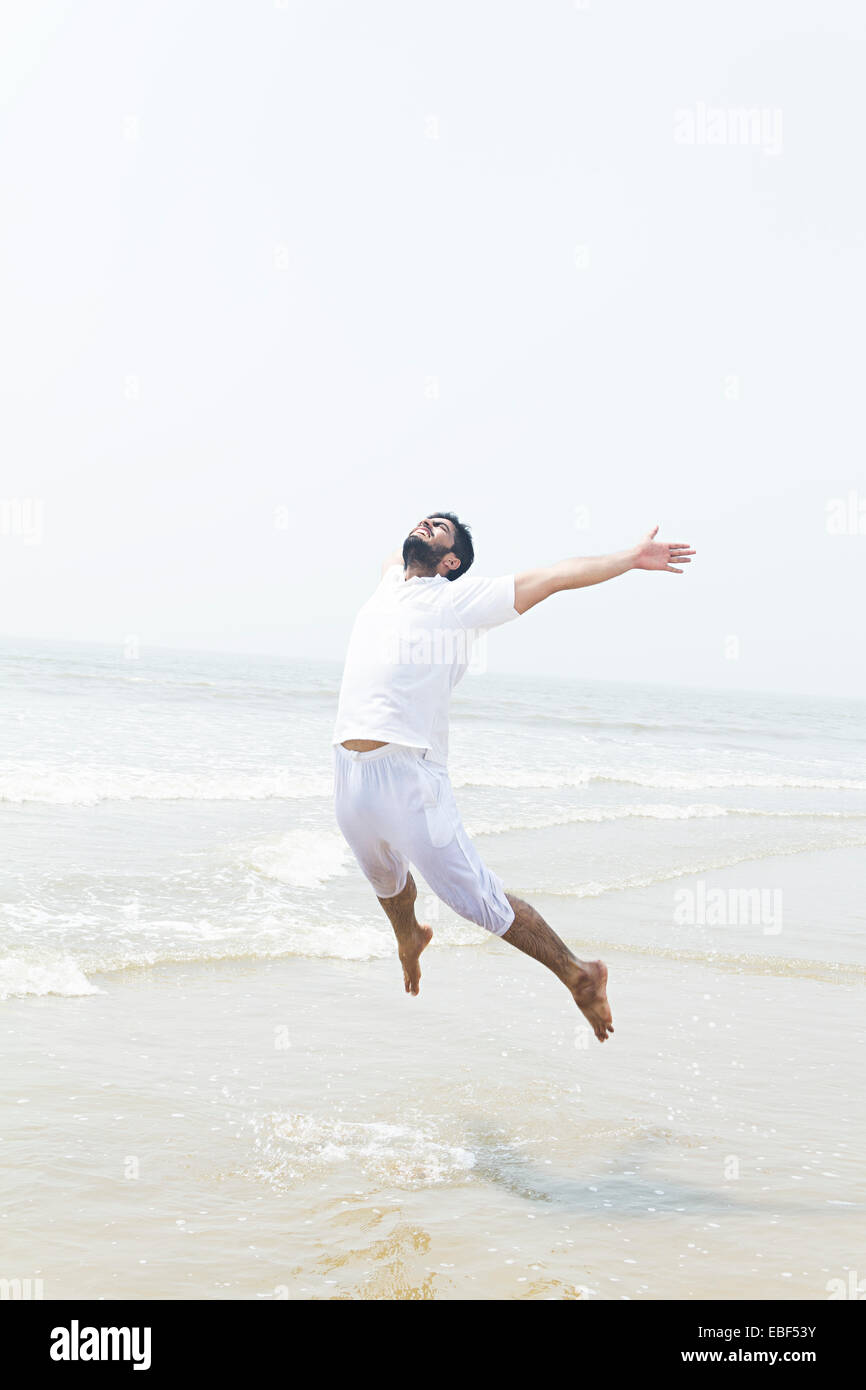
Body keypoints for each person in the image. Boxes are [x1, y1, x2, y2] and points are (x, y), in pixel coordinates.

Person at [332, 512, 695, 1041]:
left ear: (450, 561)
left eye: (440, 530)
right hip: (348, 768)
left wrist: (631, 559)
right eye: (425, 521)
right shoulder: (389, 581)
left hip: (411, 774)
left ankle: (579, 974)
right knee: (384, 879)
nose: (427, 525)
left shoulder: (457, 602)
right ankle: (410, 938)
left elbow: (556, 575)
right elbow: (398, 550)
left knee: (478, 902)